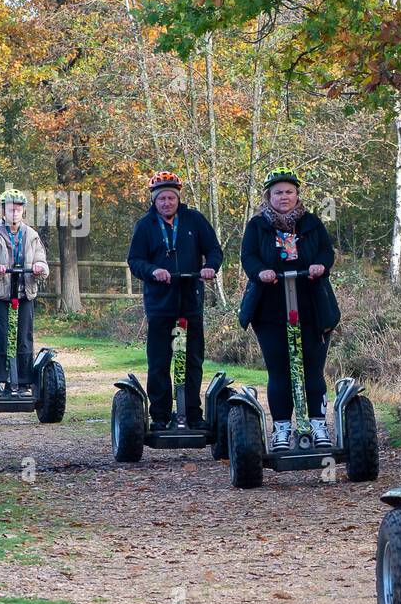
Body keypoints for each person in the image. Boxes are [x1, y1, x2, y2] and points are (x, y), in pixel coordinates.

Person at [240, 168, 340, 450]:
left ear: (297, 195)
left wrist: (321, 265)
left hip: (311, 306)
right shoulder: (257, 225)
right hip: (270, 309)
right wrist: (261, 272)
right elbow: (248, 256)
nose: (284, 197)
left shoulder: (311, 223)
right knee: (280, 371)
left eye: (288, 192)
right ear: (268, 196)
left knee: (313, 370)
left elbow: (326, 251)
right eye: (278, 192)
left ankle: (318, 427)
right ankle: (281, 430)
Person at [126, 171, 223, 430]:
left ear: (178, 198)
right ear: (154, 201)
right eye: (162, 199)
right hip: (160, 303)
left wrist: (210, 267)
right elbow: (135, 260)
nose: (167, 202)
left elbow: (214, 250)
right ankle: (160, 416)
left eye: (171, 198)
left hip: (190, 298)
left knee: (192, 359)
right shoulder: (145, 225)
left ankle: (192, 414)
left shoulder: (194, 220)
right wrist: (153, 271)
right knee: (159, 361)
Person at [0, 189, 49, 396]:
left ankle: (23, 383)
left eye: (18, 208)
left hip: (24, 293)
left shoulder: (31, 235)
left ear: (23, 211)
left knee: (24, 337)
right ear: (3, 211)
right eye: (10, 208)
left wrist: (39, 268)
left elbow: (42, 260)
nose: (14, 212)